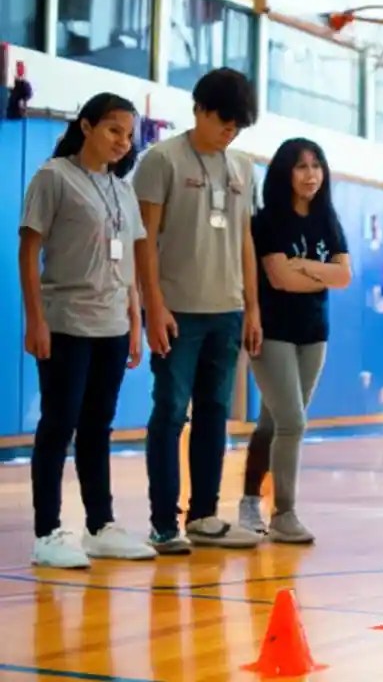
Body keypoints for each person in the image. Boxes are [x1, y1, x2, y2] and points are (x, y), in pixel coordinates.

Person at [134, 67, 264, 553]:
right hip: (178, 312)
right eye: (223, 121)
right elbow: (144, 241)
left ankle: (205, 514)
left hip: (227, 311)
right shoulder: (161, 160)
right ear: (199, 110)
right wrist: (155, 306)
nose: (229, 131)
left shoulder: (243, 167)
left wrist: (251, 308)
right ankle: (163, 523)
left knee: (214, 411)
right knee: (170, 411)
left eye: (238, 126)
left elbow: (246, 241)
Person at [21, 92, 153, 568]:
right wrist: (36, 319)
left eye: (128, 133)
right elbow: (28, 251)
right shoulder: (53, 178)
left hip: (113, 325)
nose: (123, 141)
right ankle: (47, 532)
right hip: (66, 322)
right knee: (58, 425)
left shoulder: (122, 188)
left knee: (98, 426)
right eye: (114, 130)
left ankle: (100, 526)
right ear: (86, 126)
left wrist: (134, 319)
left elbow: (132, 262)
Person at [239, 139, 350, 544]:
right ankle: (284, 513)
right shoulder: (267, 221)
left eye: (316, 165)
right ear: (286, 173)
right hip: (272, 333)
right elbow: (279, 280)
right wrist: (319, 272)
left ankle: (249, 499)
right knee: (293, 422)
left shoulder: (328, 220)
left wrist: (301, 266)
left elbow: (344, 277)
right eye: (301, 167)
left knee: (273, 421)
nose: (311, 175)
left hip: (314, 334)